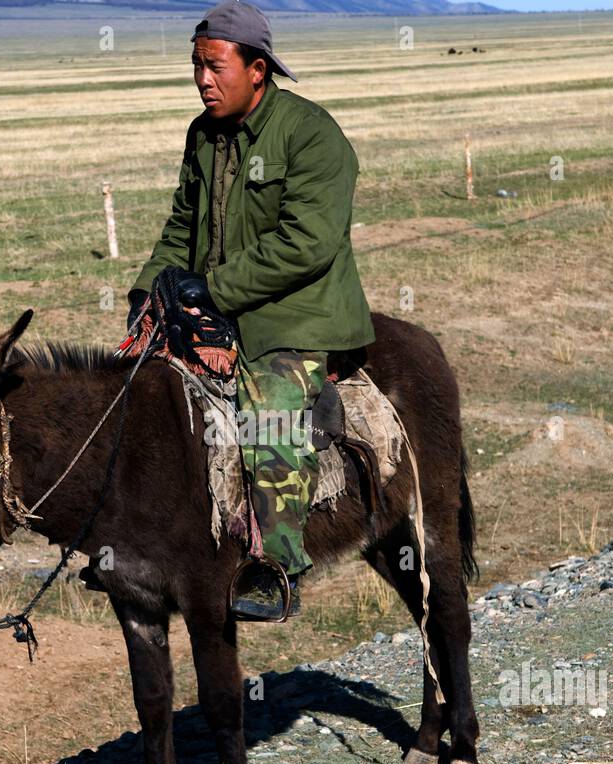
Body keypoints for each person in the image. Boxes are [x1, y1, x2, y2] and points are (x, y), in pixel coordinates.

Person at [128, 0, 373, 620]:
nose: (203, 80)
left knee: (267, 408)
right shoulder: (202, 136)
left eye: (215, 66)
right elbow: (182, 227)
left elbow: (307, 243)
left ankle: (277, 569)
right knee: (127, 389)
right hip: (219, 309)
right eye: (196, 67)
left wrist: (212, 292)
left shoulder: (313, 135)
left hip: (298, 317)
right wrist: (146, 294)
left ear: (257, 69)